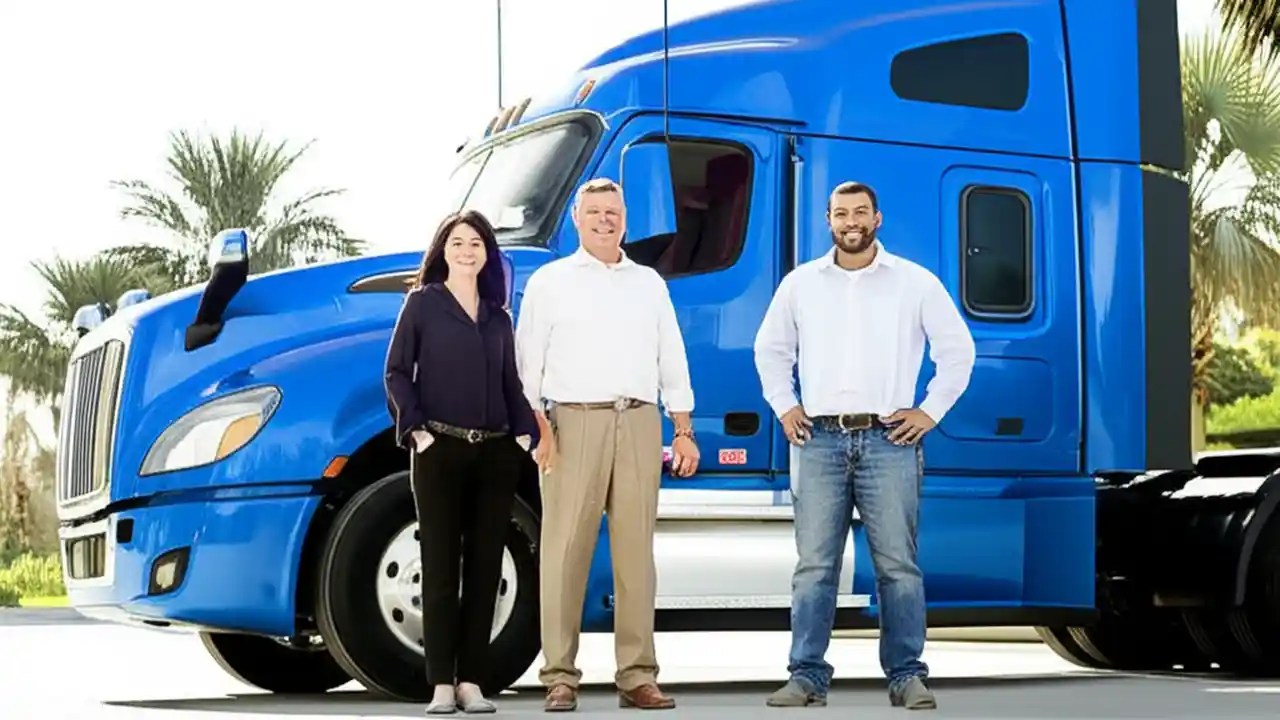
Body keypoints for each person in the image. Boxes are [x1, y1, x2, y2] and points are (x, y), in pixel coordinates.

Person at [753, 181, 975, 710]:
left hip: (889, 440)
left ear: (878, 218)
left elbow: (958, 351)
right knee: (814, 567)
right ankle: (806, 677)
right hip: (818, 440)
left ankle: (907, 676)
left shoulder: (914, 283)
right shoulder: (801, 284)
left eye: (859, 212)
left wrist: (929, 412)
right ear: (828, 220)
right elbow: (771, 350)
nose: (850, 221)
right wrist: (785, 405)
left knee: (898, 565)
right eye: (840, 213)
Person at [514, 177, 700, 712]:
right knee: (564, 551)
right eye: (593, 211)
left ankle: (638, 675)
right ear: (577, 218)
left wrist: (682, 428)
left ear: (625, 217)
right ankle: (560, 676)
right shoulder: (550, 283)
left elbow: (672, 356)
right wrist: (539, 429)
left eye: (612, 211)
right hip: (571, 424)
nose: (604, 219)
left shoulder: (648, 284)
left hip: (640, 422)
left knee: (636, 555)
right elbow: (529, 364)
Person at [384, 209, 540, 715]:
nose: (467, 250)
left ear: (487, 254)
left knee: (485, 567)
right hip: (439, 452)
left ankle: (472, 681)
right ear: (443, 250)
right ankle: (440, 686)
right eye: (457, 242)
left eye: (476, 243)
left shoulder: (500, 316)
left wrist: (525, 434)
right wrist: (418, 432)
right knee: (440, 567)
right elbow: (396, 374)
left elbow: (511, 384)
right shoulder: (422, 305)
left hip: (495, 453)